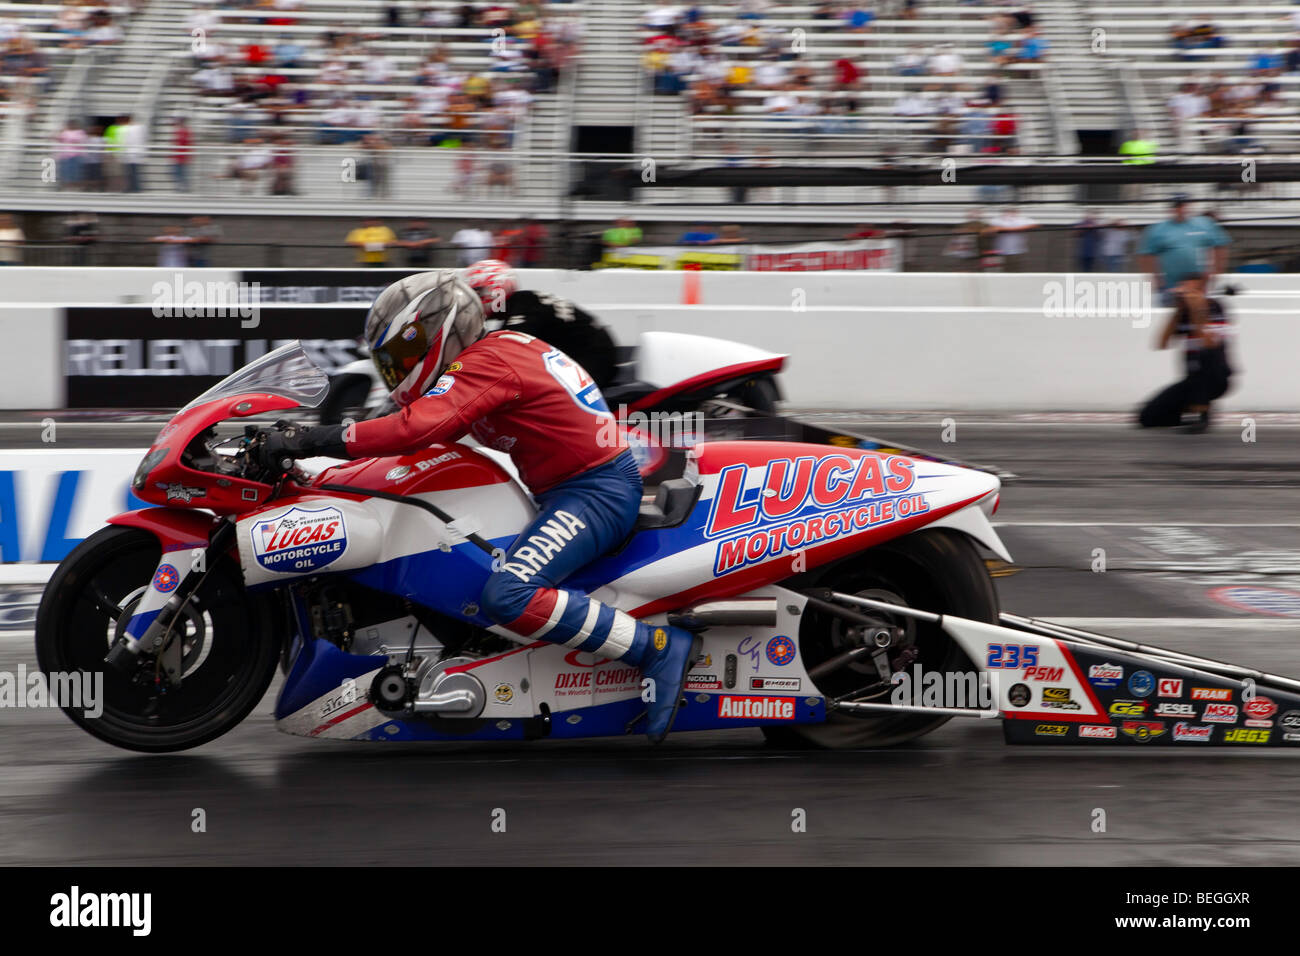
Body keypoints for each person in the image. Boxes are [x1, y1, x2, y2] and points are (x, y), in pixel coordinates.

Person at [251, 271, 698, 743]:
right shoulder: (485, 357)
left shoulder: (489, 361)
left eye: (403, 355)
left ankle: (656, 648)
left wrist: (313, 438)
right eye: (389, 362)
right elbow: (394, 424)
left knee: (509, 595)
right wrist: (310, 460)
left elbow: (412, 430)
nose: (397, 371)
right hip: (564, 488)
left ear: (441, 332)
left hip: (596, 492)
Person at [462, 259, 618, 388]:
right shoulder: (523, 303)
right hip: (588, 352)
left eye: (478, 293)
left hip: (594, 357)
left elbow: (502, 351)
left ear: (495, 289)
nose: (473, 300)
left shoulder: (522, 309)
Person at [1137, 274, 1234, 433]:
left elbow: (1210, 343)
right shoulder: (1183, 313)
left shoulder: (1216, 307)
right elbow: (1161, 344)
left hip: (1217, 378)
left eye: (1191, 290)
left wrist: (1198, 310)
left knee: (1205, 360)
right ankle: (1190, 411)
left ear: (1202, 289)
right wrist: (1178, 311)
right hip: (1191, 381)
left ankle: (1200, 412)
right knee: (1147, 418)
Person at [1137, 194, 1230, 304]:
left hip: (1199, 287)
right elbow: (1146, 255)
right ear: (1172, 209)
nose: (1181, 209)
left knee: (1198, 313)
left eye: (1184, 205)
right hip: (1170, 288)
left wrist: (1216, 271)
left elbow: (1220, 245)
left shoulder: (1205, 224)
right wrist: (1156, 282)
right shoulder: (1157, 229)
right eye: (1178, 206)